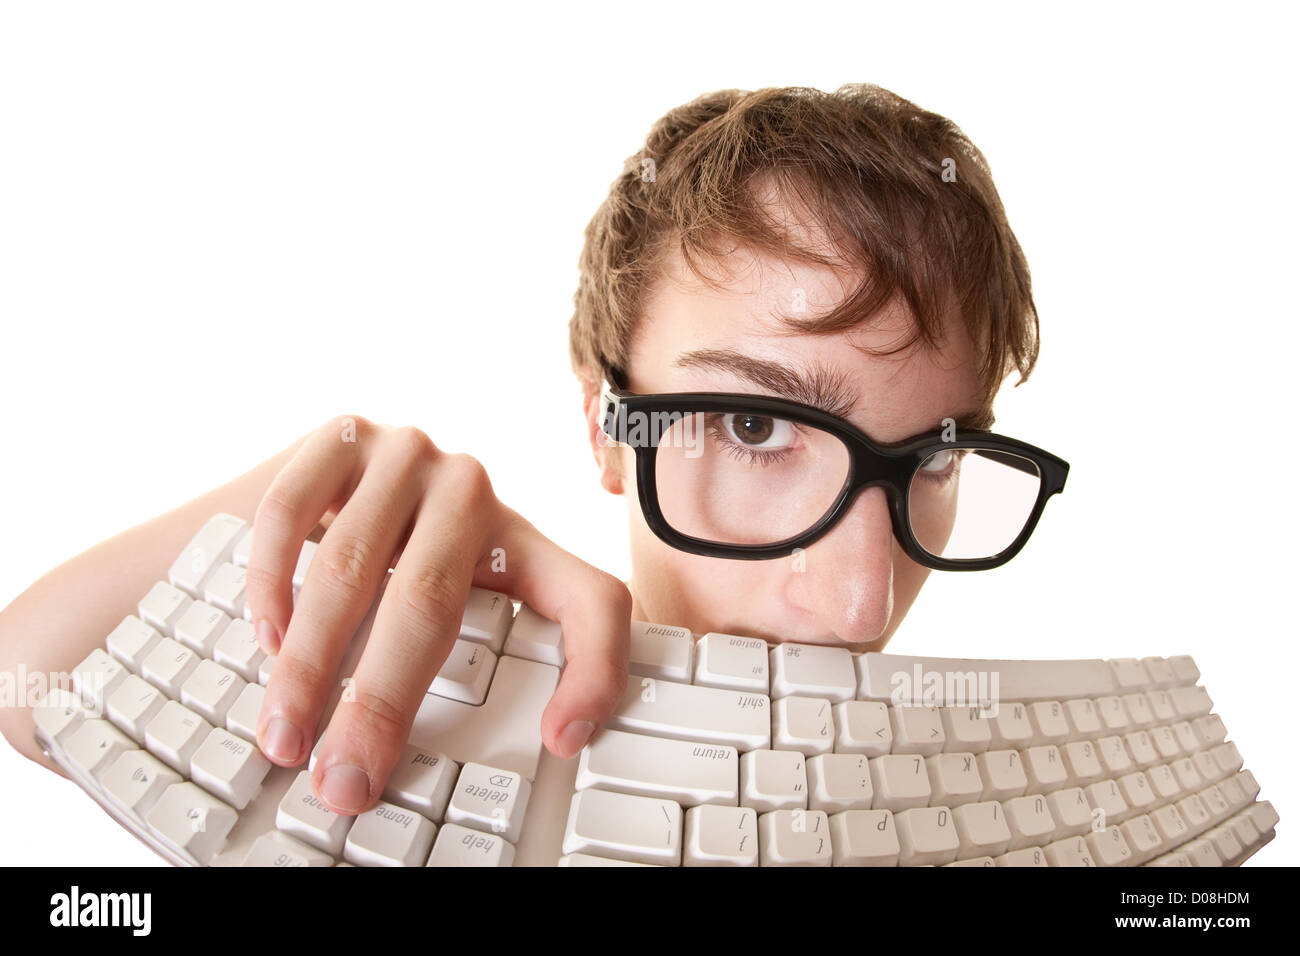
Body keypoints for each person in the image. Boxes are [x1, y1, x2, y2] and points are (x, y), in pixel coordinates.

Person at [0, 83, 1066, 820]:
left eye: (932, 456)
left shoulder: (982, 784)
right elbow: (26, 689)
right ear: (606, 422)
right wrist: (286, 496)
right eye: (755, 427)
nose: (858, 607)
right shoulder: (437, 707)